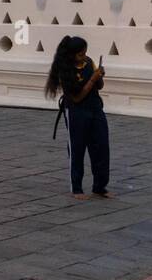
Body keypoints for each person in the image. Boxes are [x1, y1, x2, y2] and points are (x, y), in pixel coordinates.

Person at [45, 35, 111, 200]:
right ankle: (77, 187)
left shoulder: (89, 62)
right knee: (77, 149)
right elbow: (77, 97)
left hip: (95, 108)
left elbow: (99, 86)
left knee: (101, 146)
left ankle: (100, 186)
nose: (84, 56)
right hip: (77, 111)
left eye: (85, 53)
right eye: (80, 54)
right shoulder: (66, 70)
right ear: (71, 54)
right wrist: (92, 79)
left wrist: (99, 75)